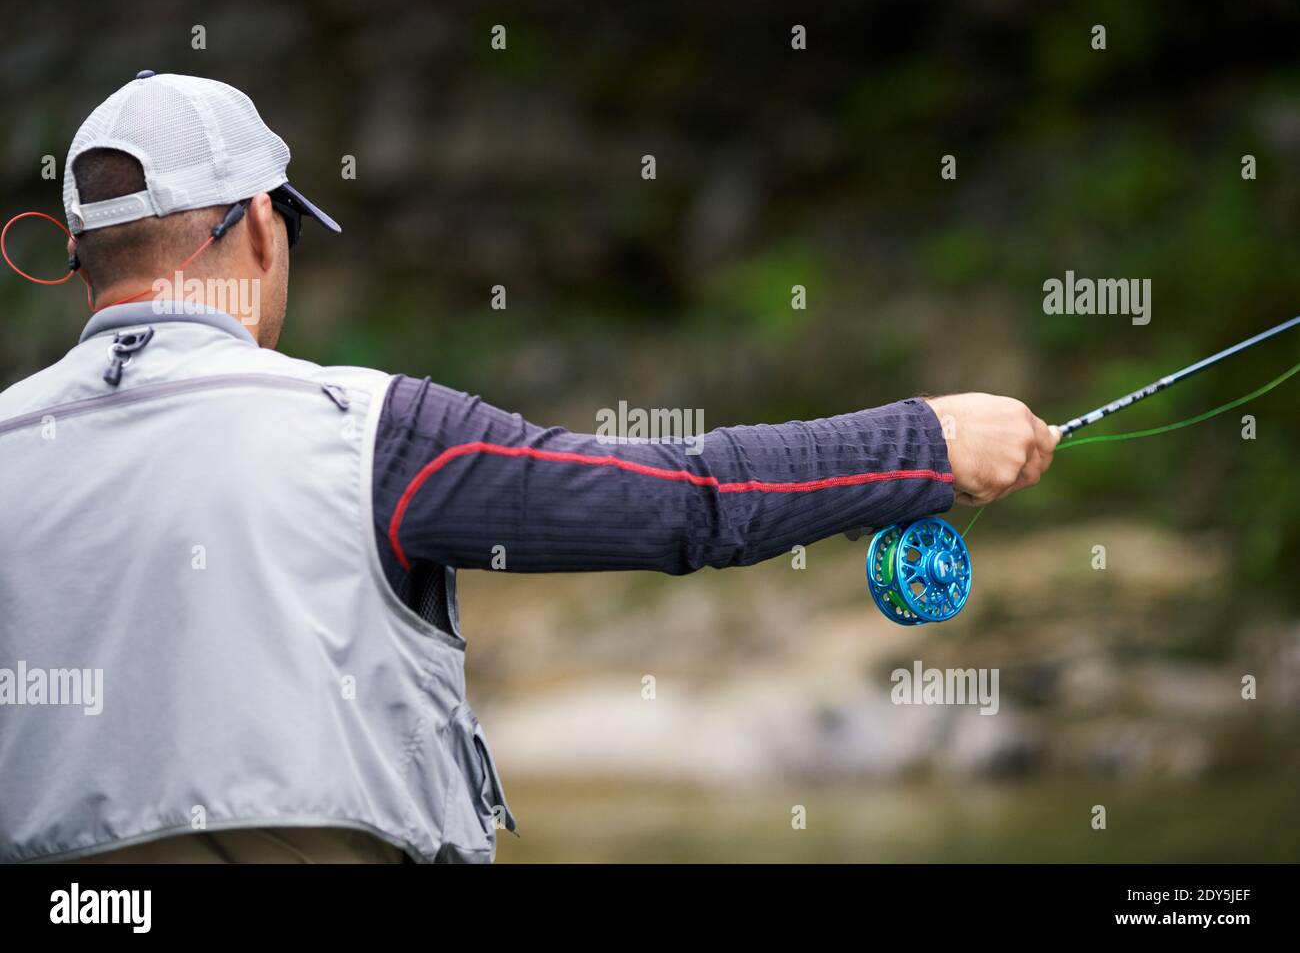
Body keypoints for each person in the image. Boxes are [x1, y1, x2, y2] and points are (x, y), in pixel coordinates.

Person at [0, 72, 1057, 864]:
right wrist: (923, 442)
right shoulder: (373, 432)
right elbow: (685, 502)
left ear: (83, 259)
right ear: (263, 232)